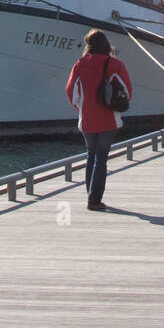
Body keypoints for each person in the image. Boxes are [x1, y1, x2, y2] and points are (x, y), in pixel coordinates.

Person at [65, 29, 132, 212]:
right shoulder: (115, 64)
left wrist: (81, 108)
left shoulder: (79, 64)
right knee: (101, 159)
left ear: (88, 45)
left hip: (87, 118)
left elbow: (71, 91)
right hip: (108, 117)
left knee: (91, 156)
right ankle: (94, 200)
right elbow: (126, 92)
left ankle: (91, 195)